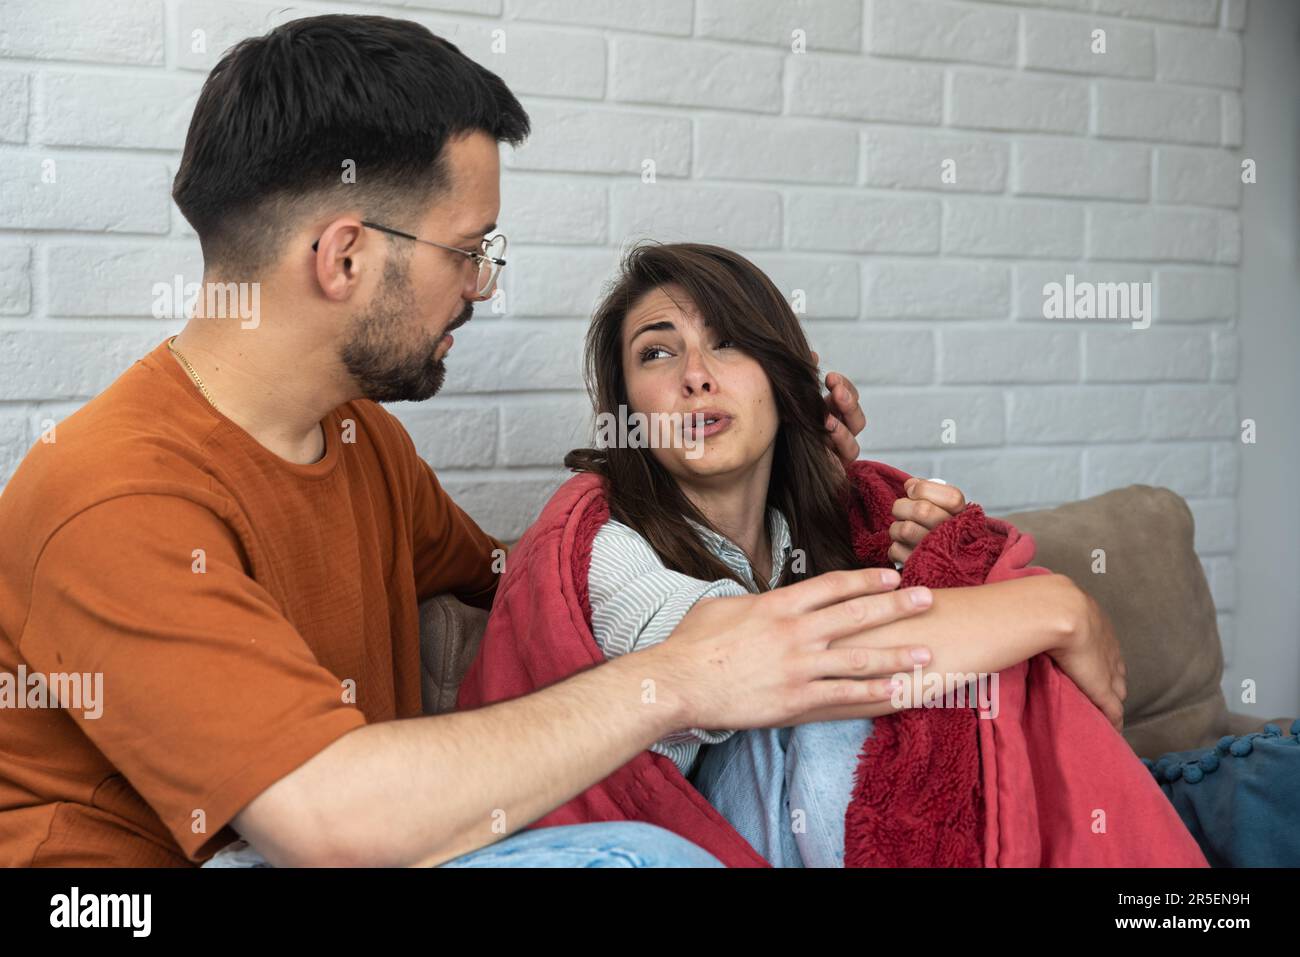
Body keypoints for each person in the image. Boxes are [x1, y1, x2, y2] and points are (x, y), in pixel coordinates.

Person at [0, 14, 911, 869]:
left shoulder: (358, 441)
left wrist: (796, 486)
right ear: (344, 256)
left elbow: (533, 581)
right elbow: (325, 819)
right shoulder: (113, 493)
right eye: (469, 249)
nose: (480, 285)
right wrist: (679, 679)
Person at [526, 241, 1128, 866]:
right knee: (818, 704)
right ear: (627, 408)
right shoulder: (605, 546)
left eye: (728, 342)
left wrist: (935, 563)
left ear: (786, 380)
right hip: (691, 843)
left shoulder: (817, 528)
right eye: (657, 352)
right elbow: (764, 658)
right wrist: (1062, 607)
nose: (696, 375)